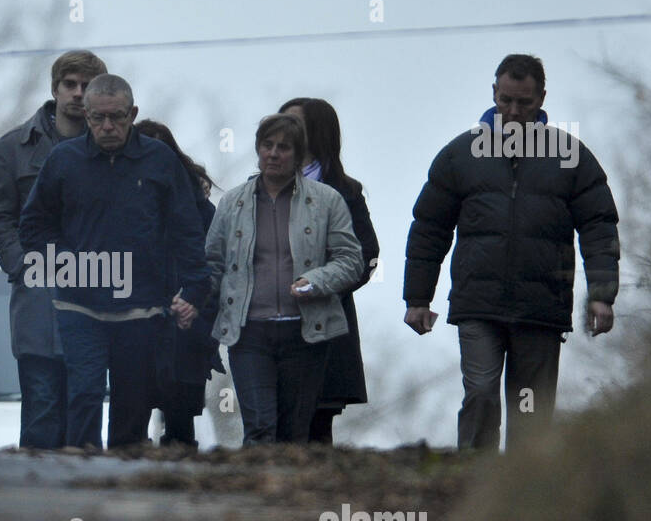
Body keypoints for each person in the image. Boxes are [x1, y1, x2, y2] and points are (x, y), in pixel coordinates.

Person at [403, 53, 620, 450]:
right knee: (481, 392)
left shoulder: (570, 157)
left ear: (542, 98)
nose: (514, 111)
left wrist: (602, 295)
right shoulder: (460, 155)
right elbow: (430, 227)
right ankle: (470, 484)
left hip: (541, 306)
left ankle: (523, 494)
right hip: (477, 303)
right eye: (505, 101)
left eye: (524, 102)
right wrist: (418, 298)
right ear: (493, 93)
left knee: (532, 411)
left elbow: (599, 227)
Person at [18, 74, 209, 450]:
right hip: (79, 305)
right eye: (97, 118)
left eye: (117, 117)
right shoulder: (64, 160)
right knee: (85, 392)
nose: (107, 126)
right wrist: (67, 264)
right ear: (85, 116)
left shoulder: (159, 161)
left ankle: (124, 484)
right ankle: (82, 476)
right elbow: (33, 225)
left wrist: (195, 289)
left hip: (141, 309)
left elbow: (187, 229)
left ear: (132, 114)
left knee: (132, 403)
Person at [206, 113, 363, 445]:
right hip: (248, 333)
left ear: (298, 154)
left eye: (284, 147)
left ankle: (284, 494)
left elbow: (351, 259)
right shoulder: (232, 203)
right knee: (260, 427)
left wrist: (316, 280)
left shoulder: (326, 200)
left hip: (304, 333)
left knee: (294, 434)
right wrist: (192, 301)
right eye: (267, 145)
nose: (274, 154)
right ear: (258, 149)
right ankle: (256, 493)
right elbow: (212, 263)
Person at [0, 50, 107, 448]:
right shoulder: (13, 148)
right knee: (41, 416)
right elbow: (0, 218)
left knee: (86, 421)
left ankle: (86, 507)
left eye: (87, 86)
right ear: (54, 89)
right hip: (38, 306)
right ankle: (37, 509)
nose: (77, 93)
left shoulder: (115, 149)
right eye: (69, 84)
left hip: (95, 301)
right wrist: (22, 266)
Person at [279, 98, 379, 445]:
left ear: (316, 133)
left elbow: (366, 256)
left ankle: (310, 496)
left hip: (324, 324)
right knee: (267, 420)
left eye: (293, 124)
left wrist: (321, 284)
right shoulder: (256, 189)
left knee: (316, 425)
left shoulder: (345, 193)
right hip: (269, 324)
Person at [134, 119, 223, 447]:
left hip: (186, 331)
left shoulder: (200, 209)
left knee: (180, 428)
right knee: (131, 426)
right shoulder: (118, 205)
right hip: (135, 328)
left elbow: (216, 266)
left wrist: (198, 308)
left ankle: (179, 488)